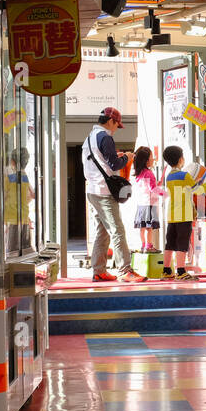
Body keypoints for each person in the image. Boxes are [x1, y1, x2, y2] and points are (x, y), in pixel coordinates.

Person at [82, 107, 145, 282]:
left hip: (92, 190)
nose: (116, 128)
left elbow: (101, 162)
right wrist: (127, 157)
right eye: (117, 124)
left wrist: (117, 158)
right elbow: (115, 164)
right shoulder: (105, 137)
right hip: (104, 192)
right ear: (111, 121)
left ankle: (99, 270)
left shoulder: (89, 139)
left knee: (103, 232)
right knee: (117, 230)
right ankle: (125, 270)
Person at [162, 145, 200, 280]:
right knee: (182, 244)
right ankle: (181, 271)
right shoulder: (185, 175)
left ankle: (166, 271)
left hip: (172, 215)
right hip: (184, 215)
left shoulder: (169, 176)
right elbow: (198, 190)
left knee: (170, 243)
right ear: (180, 159)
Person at [130, 146, 164, 253]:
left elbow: (148, 187)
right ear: (146, 160)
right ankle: (149, 246)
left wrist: (157, 184)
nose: (153, 159)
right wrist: (164, 193)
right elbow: (153, 189)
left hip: (141, 204)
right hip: (150, 205)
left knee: (142, 227)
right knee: (149, 228)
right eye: (152, 157)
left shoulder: (139, 173)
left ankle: (143, 245)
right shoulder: (149, 173)